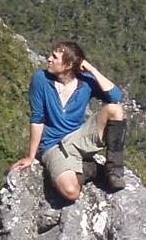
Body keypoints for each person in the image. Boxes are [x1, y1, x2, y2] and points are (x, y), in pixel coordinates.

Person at [9, 40, 128, 200]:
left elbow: (115, 97)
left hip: (78, 137)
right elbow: (37, 118)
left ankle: (113, 171)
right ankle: (90, 170)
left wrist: (92, 69)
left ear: (68, 64)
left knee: (116, 110)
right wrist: (31, 156)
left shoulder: (85, 82)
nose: (49, 59)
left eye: (55, 57)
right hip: (54, 145)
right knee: (71, 192)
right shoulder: (41, 79)